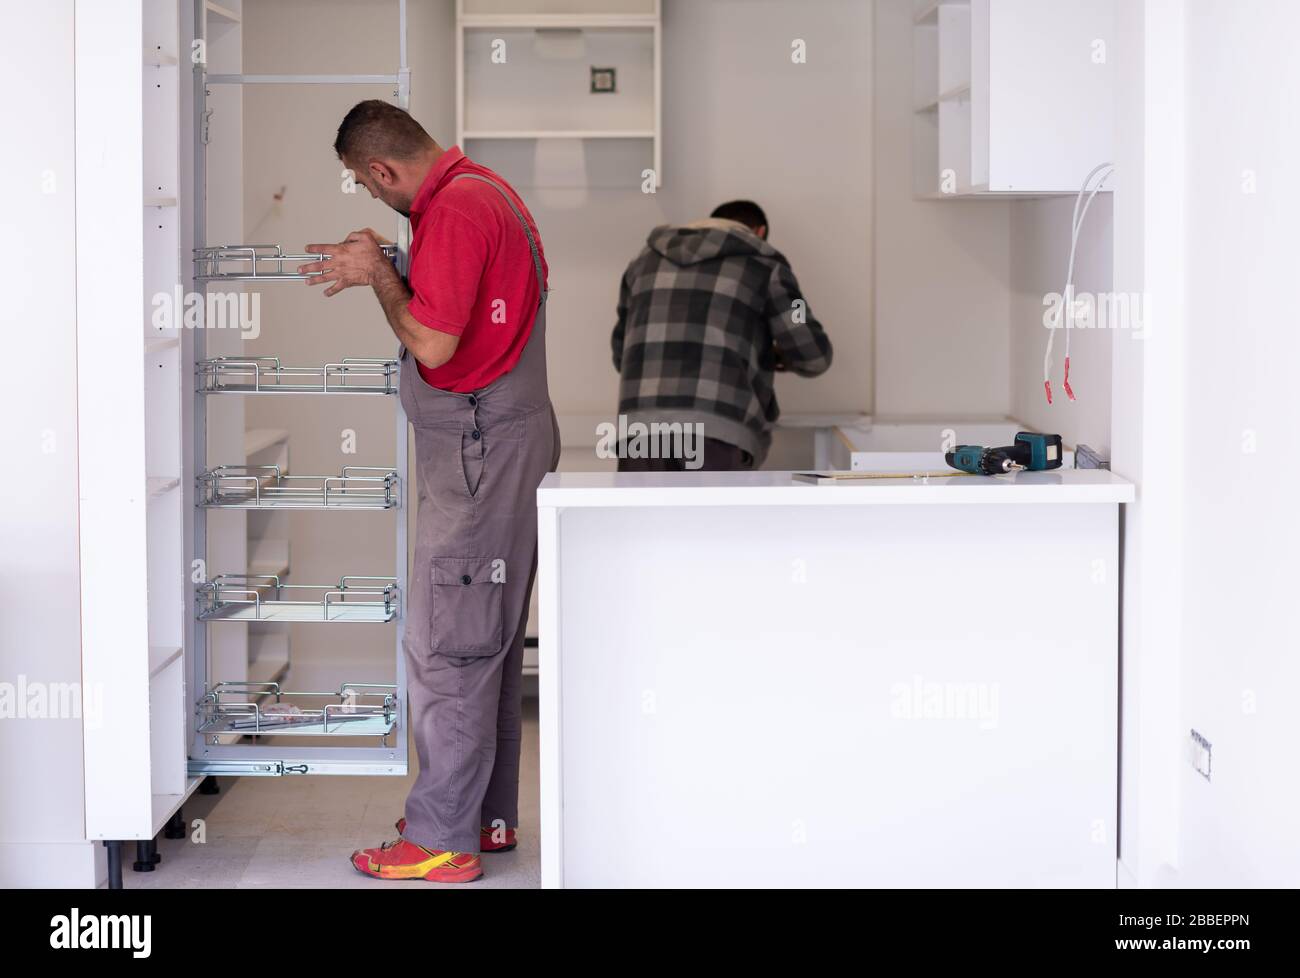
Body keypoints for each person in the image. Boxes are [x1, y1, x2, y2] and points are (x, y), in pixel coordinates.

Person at [297, 100, 558, 884]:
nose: (372, 200)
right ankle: (486, 817)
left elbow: (434, 345)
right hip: (508, 439)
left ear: (381, 170)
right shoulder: (487, 190)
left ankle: (441, 841)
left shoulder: (452, 211)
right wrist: (396, 267)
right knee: (489, 641)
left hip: (479, 450)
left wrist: (378, 274)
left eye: (365, 186)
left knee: (448, 645)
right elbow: (467, 316)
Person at [610, 200, 833, 471]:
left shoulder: (644, 262)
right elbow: (812, 354)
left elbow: (622, 353)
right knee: (712, 515)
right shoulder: (765, 264)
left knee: (642, 515)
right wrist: (775, 353)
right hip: (717, 431)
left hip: (641, 432)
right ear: (759, 232)